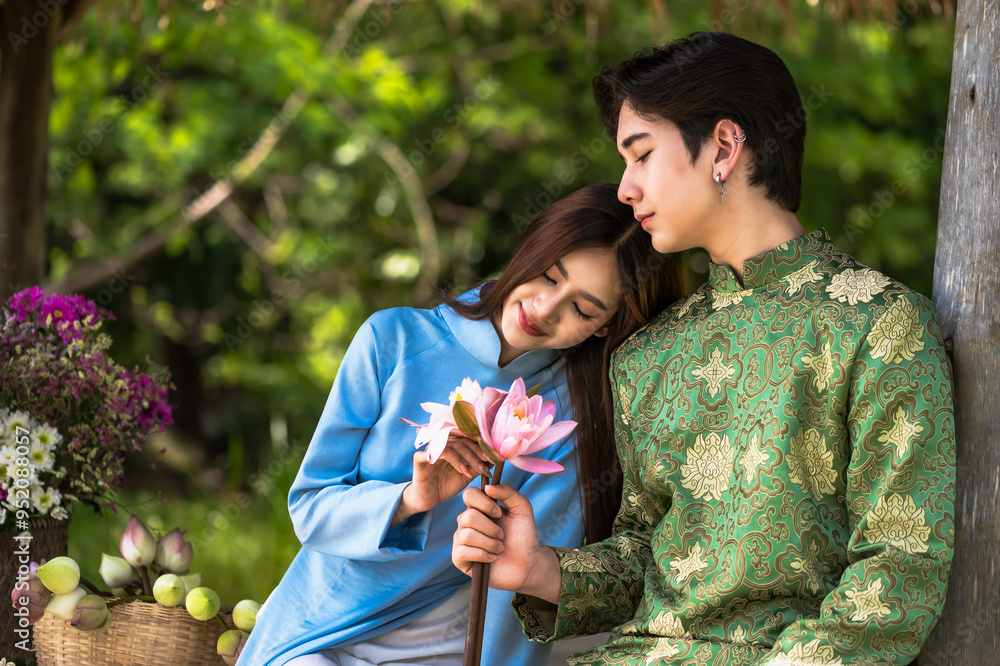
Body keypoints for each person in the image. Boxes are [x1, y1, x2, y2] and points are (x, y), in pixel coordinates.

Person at [453, 32, 955, 665]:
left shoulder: (880, 327)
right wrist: (539, 568)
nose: (625, 188)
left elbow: (900, 566)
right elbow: (647, 556)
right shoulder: (648, 355)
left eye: (640, 155)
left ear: (723, 146)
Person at [237, 183, 686, 666]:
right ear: (530, 247)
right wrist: (412, 500)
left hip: (454, 639)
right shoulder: (392, 340)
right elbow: (309, 507)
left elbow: (515, 590)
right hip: (322, 630)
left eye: (582, 308)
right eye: (549, 276)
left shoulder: (571, 422)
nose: (544, 308)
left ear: (604, 327)